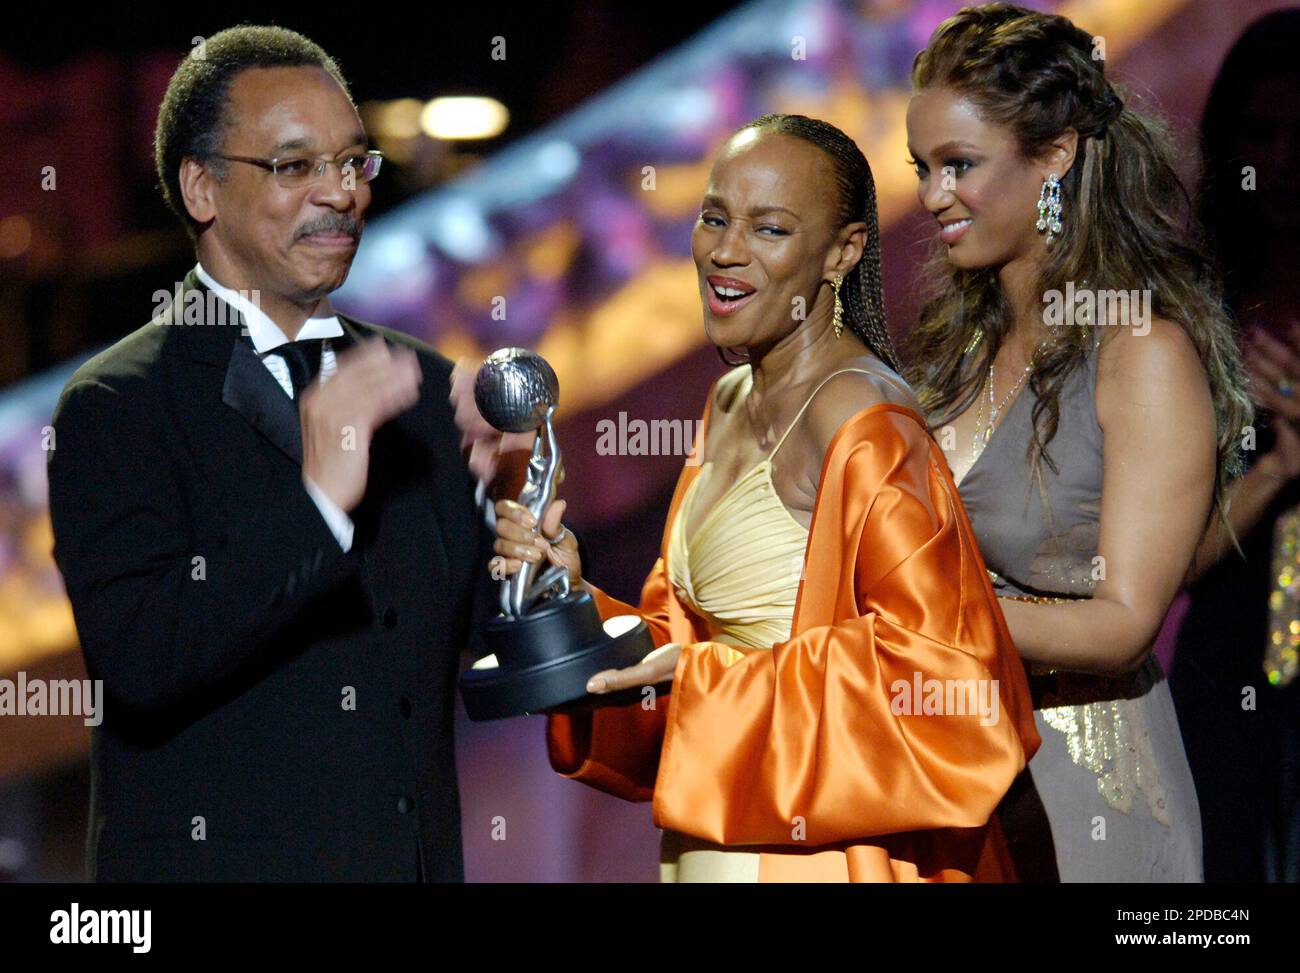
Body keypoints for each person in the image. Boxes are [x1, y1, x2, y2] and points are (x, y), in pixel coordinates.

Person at [464, 114, 1041, 882]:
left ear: (842, 252)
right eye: (713, 218)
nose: (725, 251)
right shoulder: (730, 396)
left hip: (825, 854)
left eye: (769, 228)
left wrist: (706, 682)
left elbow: (946, 678)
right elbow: (684, 636)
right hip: (717, 842)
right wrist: (571, 600)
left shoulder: (865, 422)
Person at [45, 26, 496, 882]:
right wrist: (318, 501)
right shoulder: (116, 405)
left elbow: (482, 652)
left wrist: (519, 527)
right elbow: (143, 662)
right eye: (295, 167)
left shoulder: (419, 385)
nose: (340, 194)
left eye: (353, 162)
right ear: (201, 186)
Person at [904, 3, 1252, 882]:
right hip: (951, 777)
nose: (933, 194)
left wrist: (911, 616)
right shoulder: (960, 346)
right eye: (923, 167)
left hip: (1082, 797)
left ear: (1055, 155)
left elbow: (1125, 621)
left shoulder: (1142, 351)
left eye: (960, 165)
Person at [1172, 8, 1300, 883]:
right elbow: (1159, 560)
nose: (1285, 160)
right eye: (1262, 133)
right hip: (1231, 666)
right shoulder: (1190, 313)